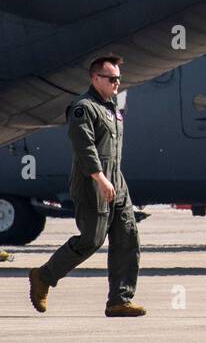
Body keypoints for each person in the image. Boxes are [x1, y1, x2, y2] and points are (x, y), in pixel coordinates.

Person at [29, 56, 144, 317]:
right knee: (91, 239)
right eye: (111, 78)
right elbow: (84, 147)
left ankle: (120, 300)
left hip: (117, 182)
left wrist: (113, 180)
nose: (116, 83)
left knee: (127, 237)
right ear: (95, 79)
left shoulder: (112, 109)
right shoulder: (83, 108)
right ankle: (44, 276)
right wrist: (100, 178)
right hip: (92, 182)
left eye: (118, 79)